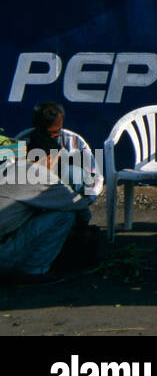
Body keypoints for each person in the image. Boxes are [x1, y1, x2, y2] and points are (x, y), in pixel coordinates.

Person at [0, 118, 92, 283]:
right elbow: (80, 208)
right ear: (49, 159)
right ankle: (34, 270)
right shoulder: (37, 174)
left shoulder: (8, 166)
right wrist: (82, 232)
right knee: (65, 215)